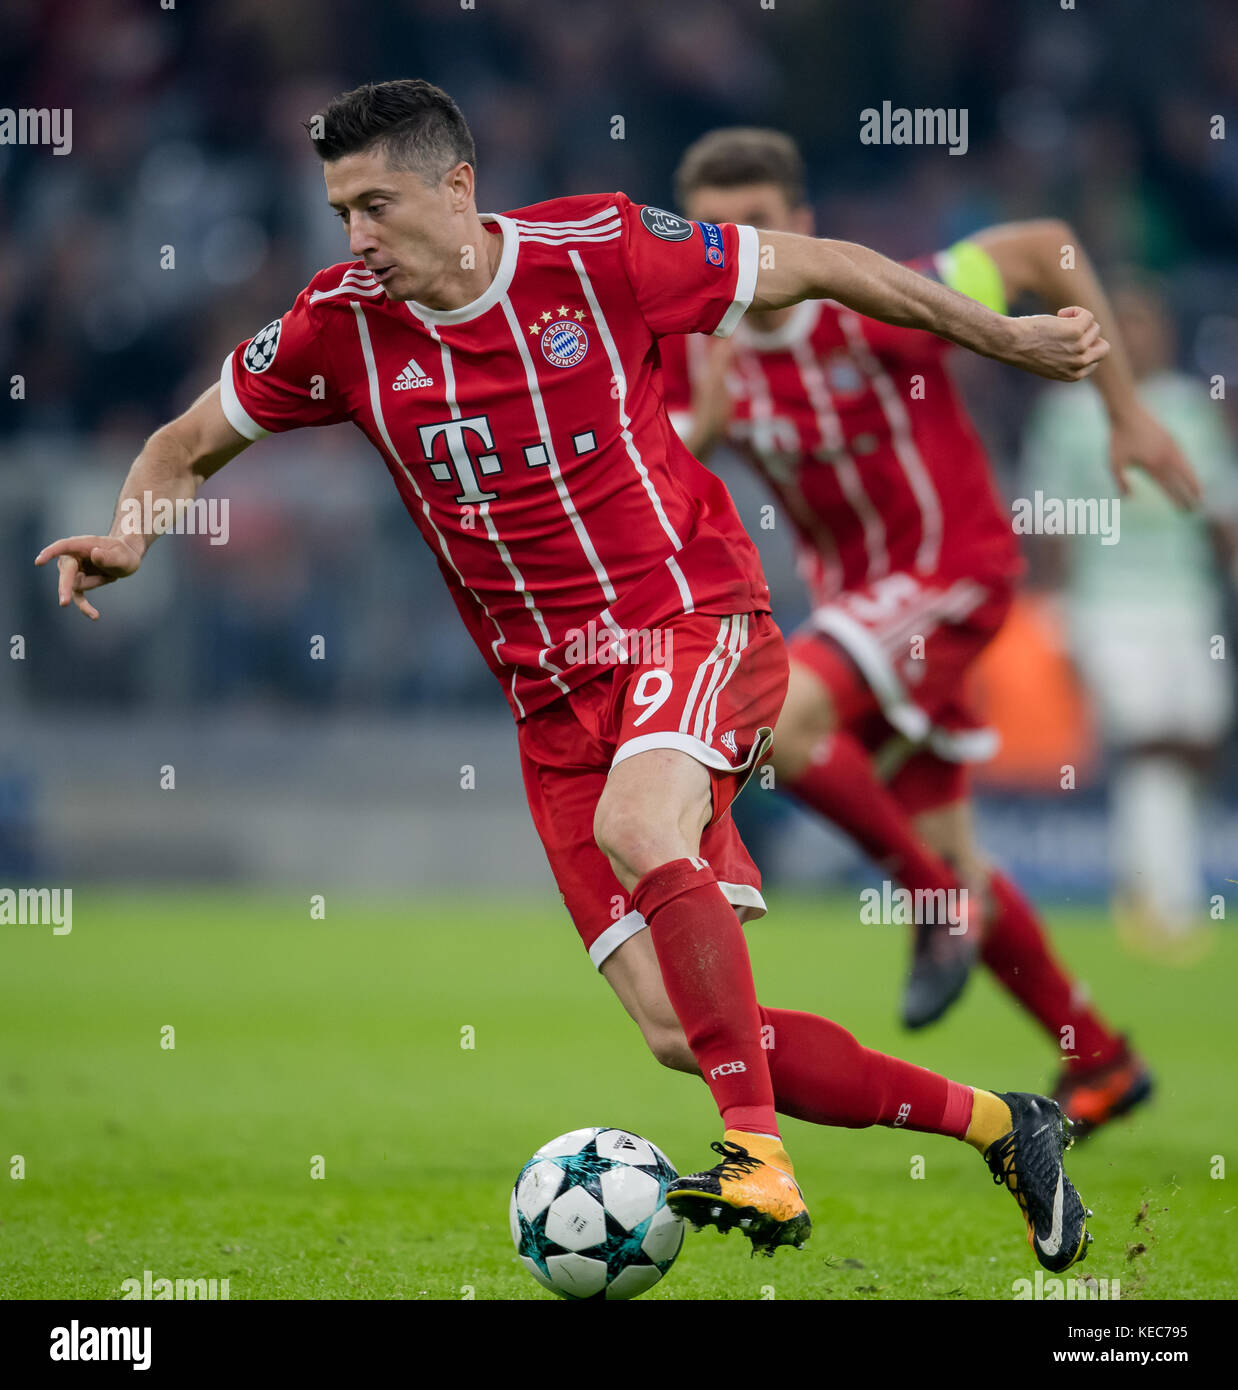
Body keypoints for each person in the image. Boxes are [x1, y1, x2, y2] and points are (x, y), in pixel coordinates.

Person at [37, 80, 1107, 1263]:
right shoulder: (333, 325)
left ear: (458, 188)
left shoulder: (598, 249)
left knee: (640, 824)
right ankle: (1007, 1126)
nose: (357, 238)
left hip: (686, 622)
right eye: (341, 211)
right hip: (550, 704)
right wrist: (134, 530)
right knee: (679, 1028)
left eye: (377, 205)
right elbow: (181, 445)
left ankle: (758, 1161)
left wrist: (1005, 337)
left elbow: (820, 262)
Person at [662, 127, 1198, 1138]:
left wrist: (1122, 411)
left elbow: (1045, 247)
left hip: (951, 573)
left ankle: (926, 896)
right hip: (866, 612)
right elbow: (660, 463)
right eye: (717, 233)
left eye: (761, 225)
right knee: (955, 849)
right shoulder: (701, 349)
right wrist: (705, 421)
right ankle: (1100, 1058)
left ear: (803, 226)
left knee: (775, 714)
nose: (746, 249)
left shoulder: (876, 297)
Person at [1022, 273, 1238, 947]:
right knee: (1147, 738)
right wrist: (1052, 604)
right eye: (1126, 323)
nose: (1137, 337)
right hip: (1108, 602)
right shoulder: (1069, 412)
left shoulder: (1190, 410)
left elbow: (1220, 511)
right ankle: (1160, 899)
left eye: (1147, 324)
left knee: (1193, 739)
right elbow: (1048, 516)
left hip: (1187, 599)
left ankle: (1149, 877)